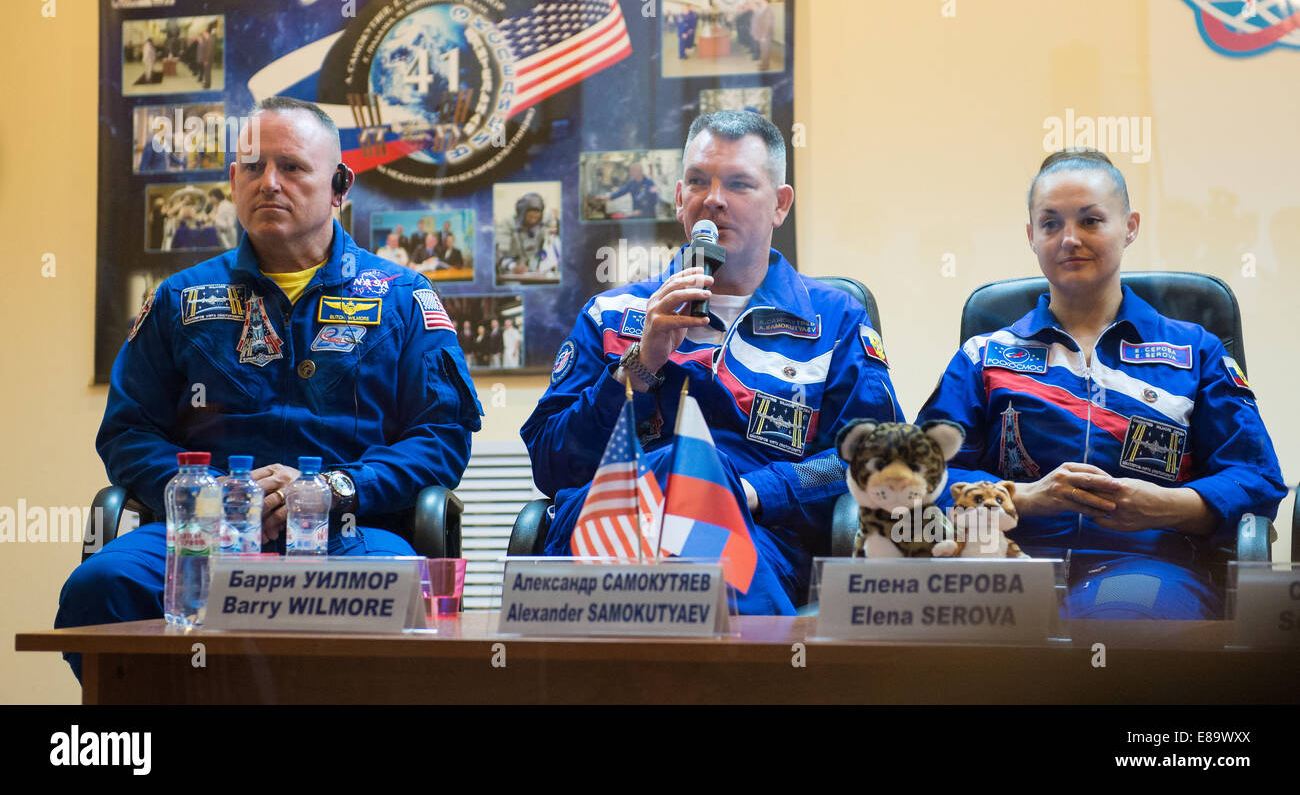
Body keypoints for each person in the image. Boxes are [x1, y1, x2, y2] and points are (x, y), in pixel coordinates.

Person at [56, 97, 482, 680]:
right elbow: (129, 432)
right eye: (252, 168)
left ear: (339, 185)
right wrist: (210, 497)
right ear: (232, 181)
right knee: (101, 585)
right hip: (205, 535)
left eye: (292, 167)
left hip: (347, 531)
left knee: (401, 593)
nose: (268, 183)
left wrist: (335, 488)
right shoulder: (180, 299)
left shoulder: (403, 299)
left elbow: (441, 437)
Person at [521, 111, 903, 614]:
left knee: (695, 485)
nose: (714, 199)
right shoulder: (612, 315)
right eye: (699, 182)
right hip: (609, 528)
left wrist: (748, 491)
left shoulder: (833, 318)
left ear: (780, 205)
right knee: (679, 473)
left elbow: (873, 460)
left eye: (740, 184)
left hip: (759, 537)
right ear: (680, 198)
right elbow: (553, 465)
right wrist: (642, 362)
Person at [916, 148, 1284, 620]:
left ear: (1129, 226)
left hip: (1146, 565)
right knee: (931, 638)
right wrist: (1023, 498)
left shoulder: (1195, 352)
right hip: (1005, 564)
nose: (1069, 239)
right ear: (1031, 236)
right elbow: (919, 481)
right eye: (1050, 224)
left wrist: (1167, 507)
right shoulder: (984, 356)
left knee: (1117, 624)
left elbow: (1257, 479)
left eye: (1091, 221)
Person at [496, 192, 558, 279]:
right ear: (522, 214)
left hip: (536, 272)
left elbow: (551, 244)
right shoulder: (507, 223)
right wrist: (512, 266)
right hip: (512, 273)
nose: (533, 220)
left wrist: (544, 265)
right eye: (530, 216)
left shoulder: (546, 219)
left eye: (536, 217)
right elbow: (499, 254)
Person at [751, 0, 776, 71]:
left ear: (766, 2)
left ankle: (765, 67)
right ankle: (763, 63)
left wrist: (763, 36)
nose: (761, 2)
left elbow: (768, 25)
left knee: (765, 51)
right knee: (763, 50)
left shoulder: (768, 11)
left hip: (766, 35)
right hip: (763, 35)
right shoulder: (764, 9)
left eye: (762, 1)